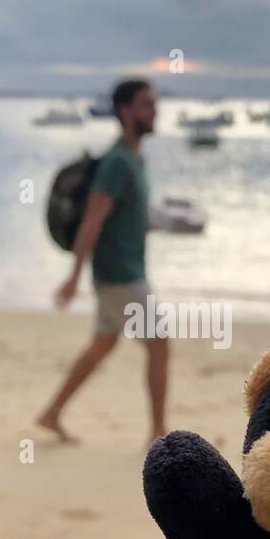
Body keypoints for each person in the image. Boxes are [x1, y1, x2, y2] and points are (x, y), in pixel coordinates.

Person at [37, 78, 168, 444]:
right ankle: (158, 433)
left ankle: (52, 413)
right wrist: (73, 275)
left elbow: (123, 217)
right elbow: (92, 219)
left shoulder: (134, 159)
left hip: (121, 272)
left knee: (103, 345)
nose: (154, 110)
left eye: (154, 103)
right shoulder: (117, 163)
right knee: (159, 343)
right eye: (146, 104)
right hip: (119, 275)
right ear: (124, 111)